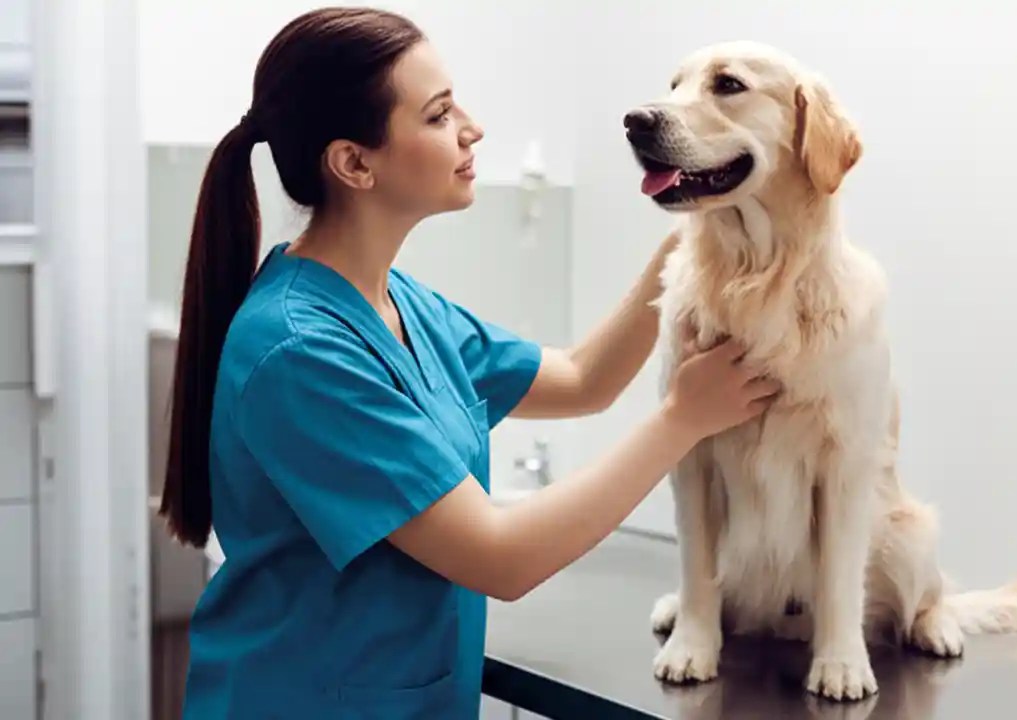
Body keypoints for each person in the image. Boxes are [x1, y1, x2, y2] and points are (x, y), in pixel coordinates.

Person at [159, 8, 778, 719]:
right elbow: (501, 559)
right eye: (437, 114)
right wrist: (683, 420)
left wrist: (693, 231)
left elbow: (582, 378)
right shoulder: (302, 351)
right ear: (354, 163)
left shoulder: (401, 307)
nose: (472, 128)